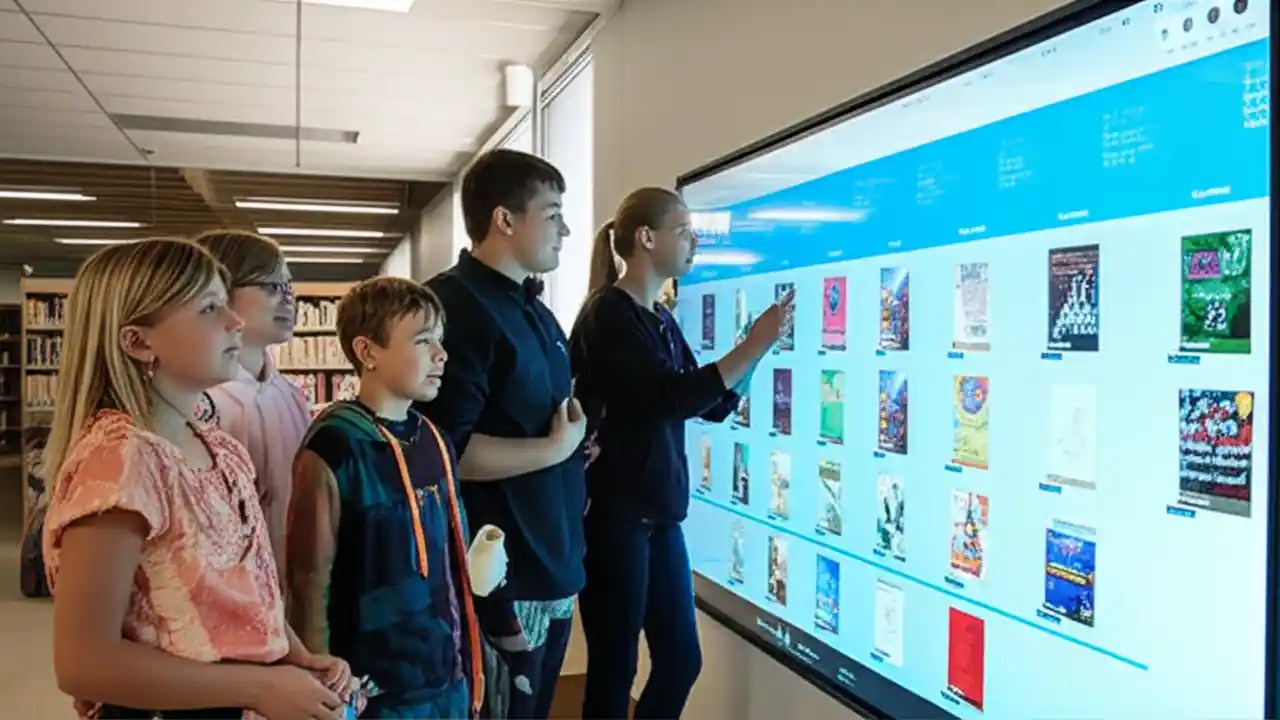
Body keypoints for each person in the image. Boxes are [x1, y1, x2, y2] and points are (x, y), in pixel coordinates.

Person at [41, 238, 353, 720]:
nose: (234, 321)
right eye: (210, 308)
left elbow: (246, 589)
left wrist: (291, 653)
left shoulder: (220, 448)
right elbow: (84, 663)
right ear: (139, 342)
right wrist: (259, 686)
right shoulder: (119, 462)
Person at [568, 188, 793, 719]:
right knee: (614, 668)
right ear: (647, 238)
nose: (695, 243)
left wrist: (760, 352)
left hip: (660, 517)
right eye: (685, 231)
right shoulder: (609, 315)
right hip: (616, 516)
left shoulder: (661, 320)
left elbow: (709, 404)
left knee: (680, 660)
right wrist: (752, 346)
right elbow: (668, 398)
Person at [420, 148, 587, 719]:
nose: (566, 228)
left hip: (554, 559)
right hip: (503, 574)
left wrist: (572, 449)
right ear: (505, 219)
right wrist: (553, 448)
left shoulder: (534, 308)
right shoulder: (457, 306)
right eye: (553, 211)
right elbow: (445, 448)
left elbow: (532, 422)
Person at [286, 276, 486, 718]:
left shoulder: (433, 438)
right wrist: (320, 683)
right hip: (371, 686)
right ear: (367, 351)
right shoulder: (334, 447)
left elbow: (455, 560)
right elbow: (309, 580)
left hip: (444, 674)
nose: (441, 354)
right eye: (422, 341)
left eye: (440, 339)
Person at [195, 230, 311, 575]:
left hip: (291, 582)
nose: (288, 300)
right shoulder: (201, 403)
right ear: (221, 294)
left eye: (289, 287)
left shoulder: (291, 396)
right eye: (272, 287)